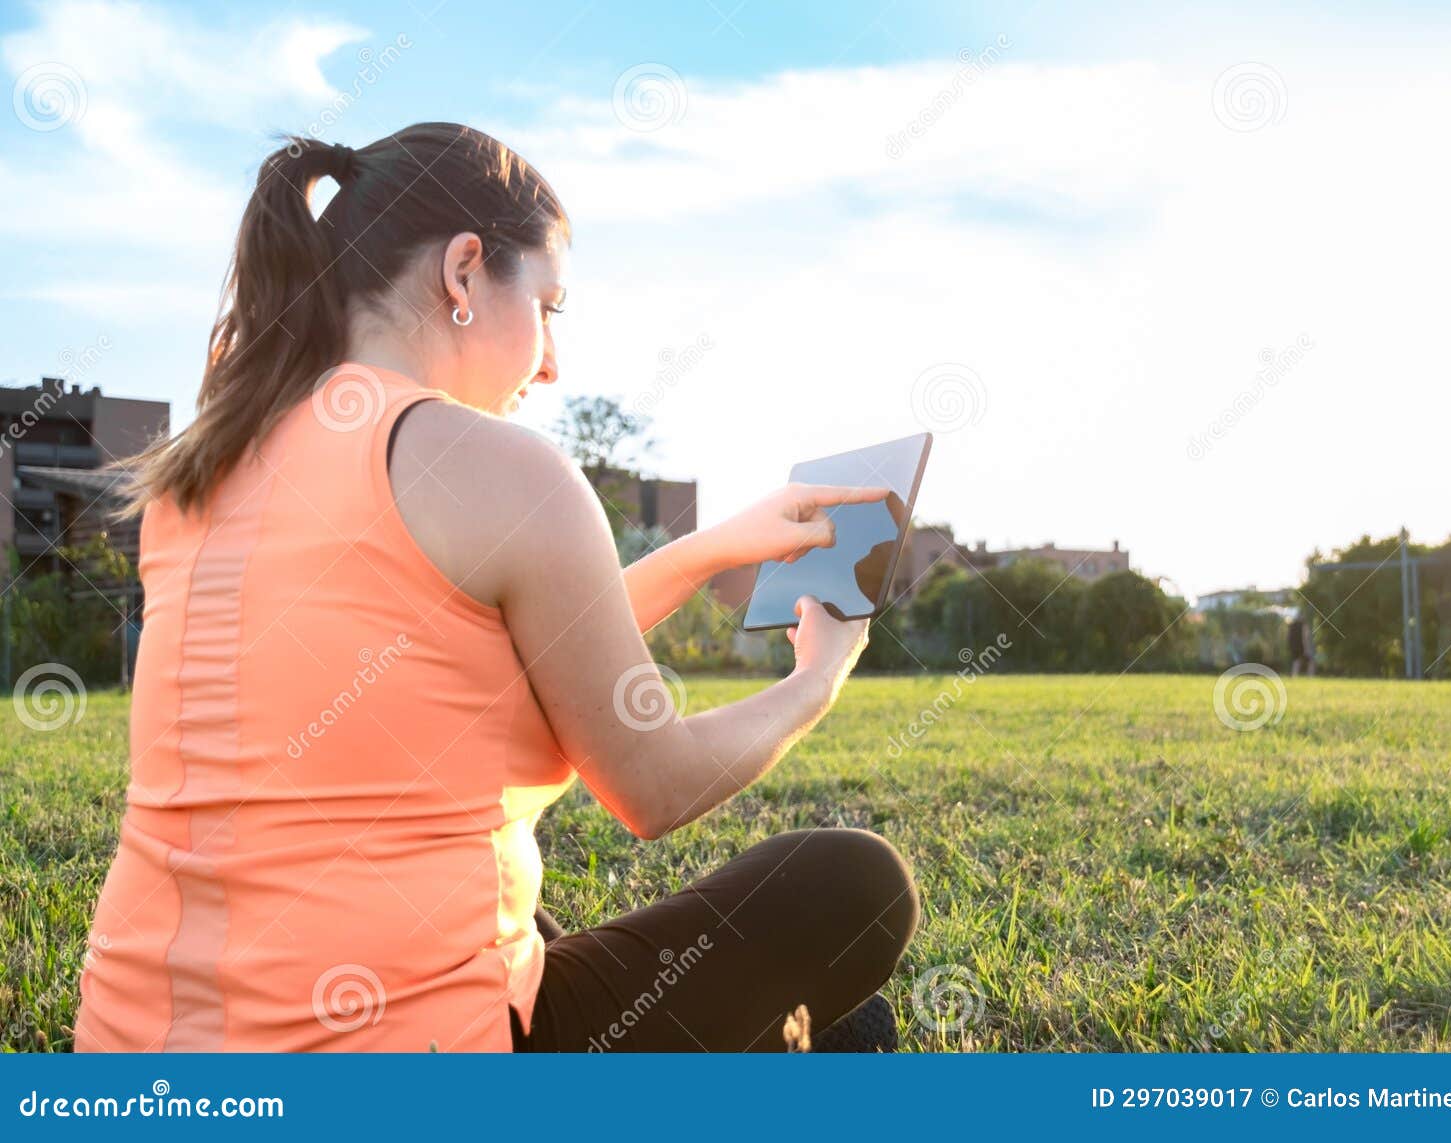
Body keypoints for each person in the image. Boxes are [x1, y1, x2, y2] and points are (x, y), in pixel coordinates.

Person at [73, 123, 917, 1053]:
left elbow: (487, 666)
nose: (551, 359)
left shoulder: (207, 467)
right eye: (549, 306)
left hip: (134, 1053)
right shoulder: (498, 465)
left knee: (530, 933)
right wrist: (814, 682)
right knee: (854, 884)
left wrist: (708, 549)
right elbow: (653, 785)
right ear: (464, 271)